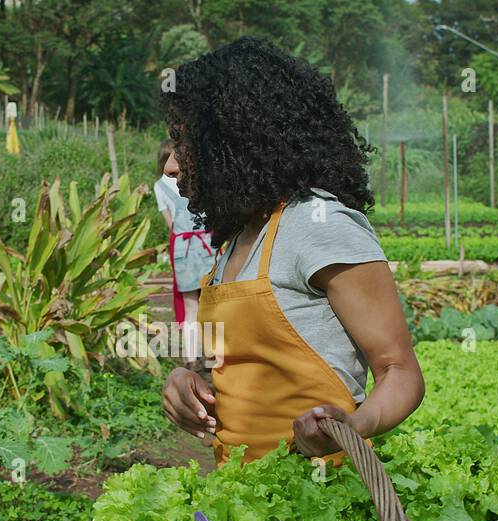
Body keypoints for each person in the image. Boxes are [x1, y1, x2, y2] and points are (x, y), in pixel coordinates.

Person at [159, 37, 425, 466]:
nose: (171, 164)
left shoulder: (318, 225)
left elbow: (401, 372)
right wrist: (187, 382)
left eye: (182, 141)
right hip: (246, 497)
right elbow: (244, 369)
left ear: (233, 139)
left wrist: (352, 427)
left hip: (322, 497)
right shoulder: (237, 237)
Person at [153, 139, 214, 365]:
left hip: (182, 246)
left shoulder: (159, 186)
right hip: (206, 242)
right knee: (210, 301)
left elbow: (170, 224)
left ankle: (190, 359)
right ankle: (212, 353)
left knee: (190, 306)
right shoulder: (196, 179)